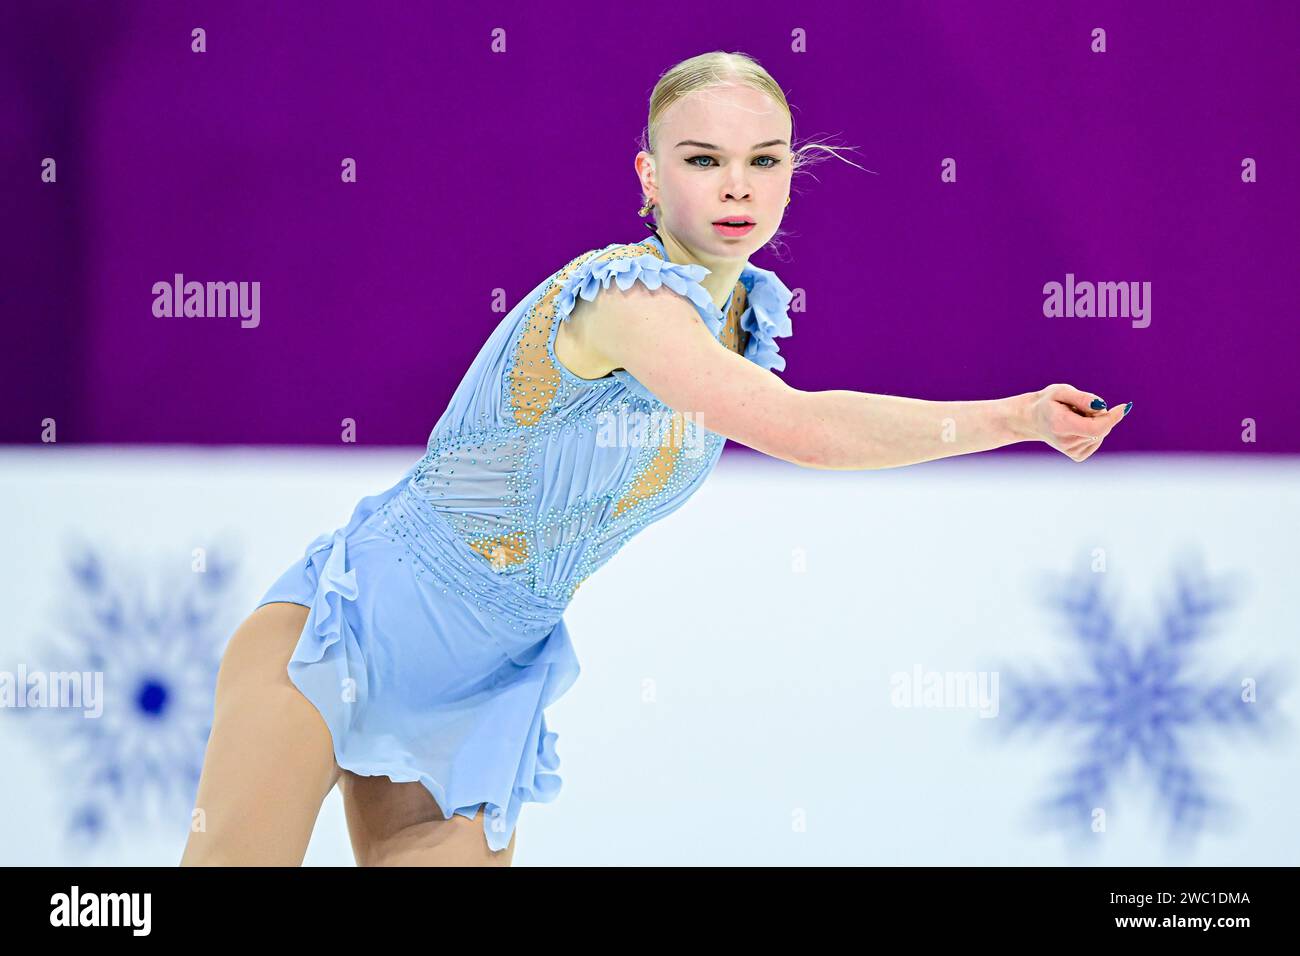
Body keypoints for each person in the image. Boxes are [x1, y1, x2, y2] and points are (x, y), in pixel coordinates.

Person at [180, 51, 1131, 868]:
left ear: (791, 175)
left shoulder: (745, 325)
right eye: (703, 160)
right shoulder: (627, 301)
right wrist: (1013, 417)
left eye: (763, 161)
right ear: (648, 175)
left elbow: (794, 412)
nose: (736, 187)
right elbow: (802, 428)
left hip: (487, 675)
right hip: (352, 623)